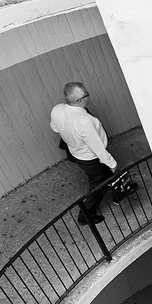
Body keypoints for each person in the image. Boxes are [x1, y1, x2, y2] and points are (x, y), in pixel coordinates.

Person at [50, 82, 118, 224]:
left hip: (76, 152)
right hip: (91, 158)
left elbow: (55, 128)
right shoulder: (85, 120)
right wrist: (111, 163)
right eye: (86, 94)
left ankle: (120, 191)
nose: (89, 96)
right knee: (99, 183)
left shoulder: (57, 110)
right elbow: (97, 147)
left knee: (107, 176)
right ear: (79, 100)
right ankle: (85, 215)